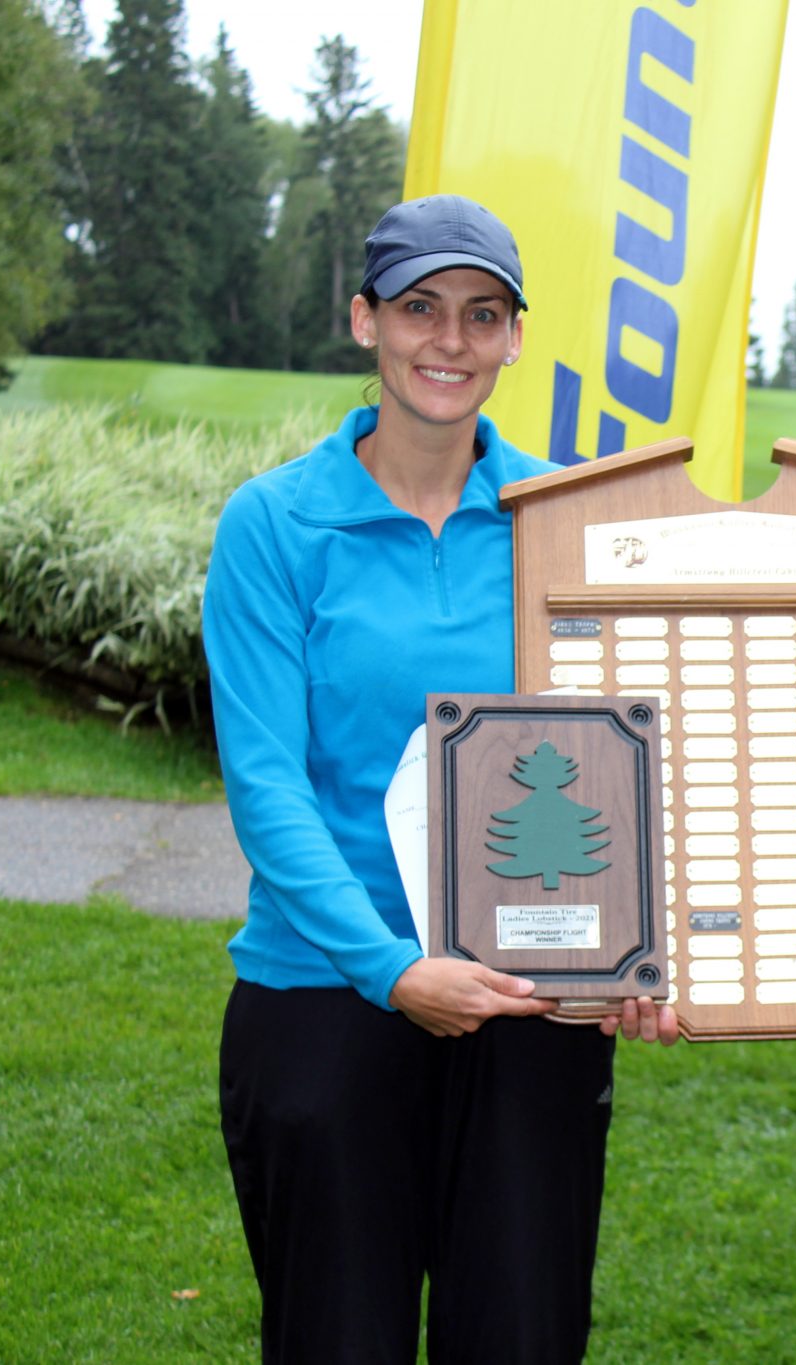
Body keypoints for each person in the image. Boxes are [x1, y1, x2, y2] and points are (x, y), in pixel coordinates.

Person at [203, 194, 670, 1365]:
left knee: (518, 1337)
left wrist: (646, 950)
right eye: (419, 308)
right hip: (324, 996)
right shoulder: (274, 525)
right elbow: (268, 787)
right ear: (365, 321)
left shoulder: (563, 516)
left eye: (481, 314)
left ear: (516, 339)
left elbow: (636, 757)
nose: (448, 341)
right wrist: (392, 969)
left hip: (532, 1000)